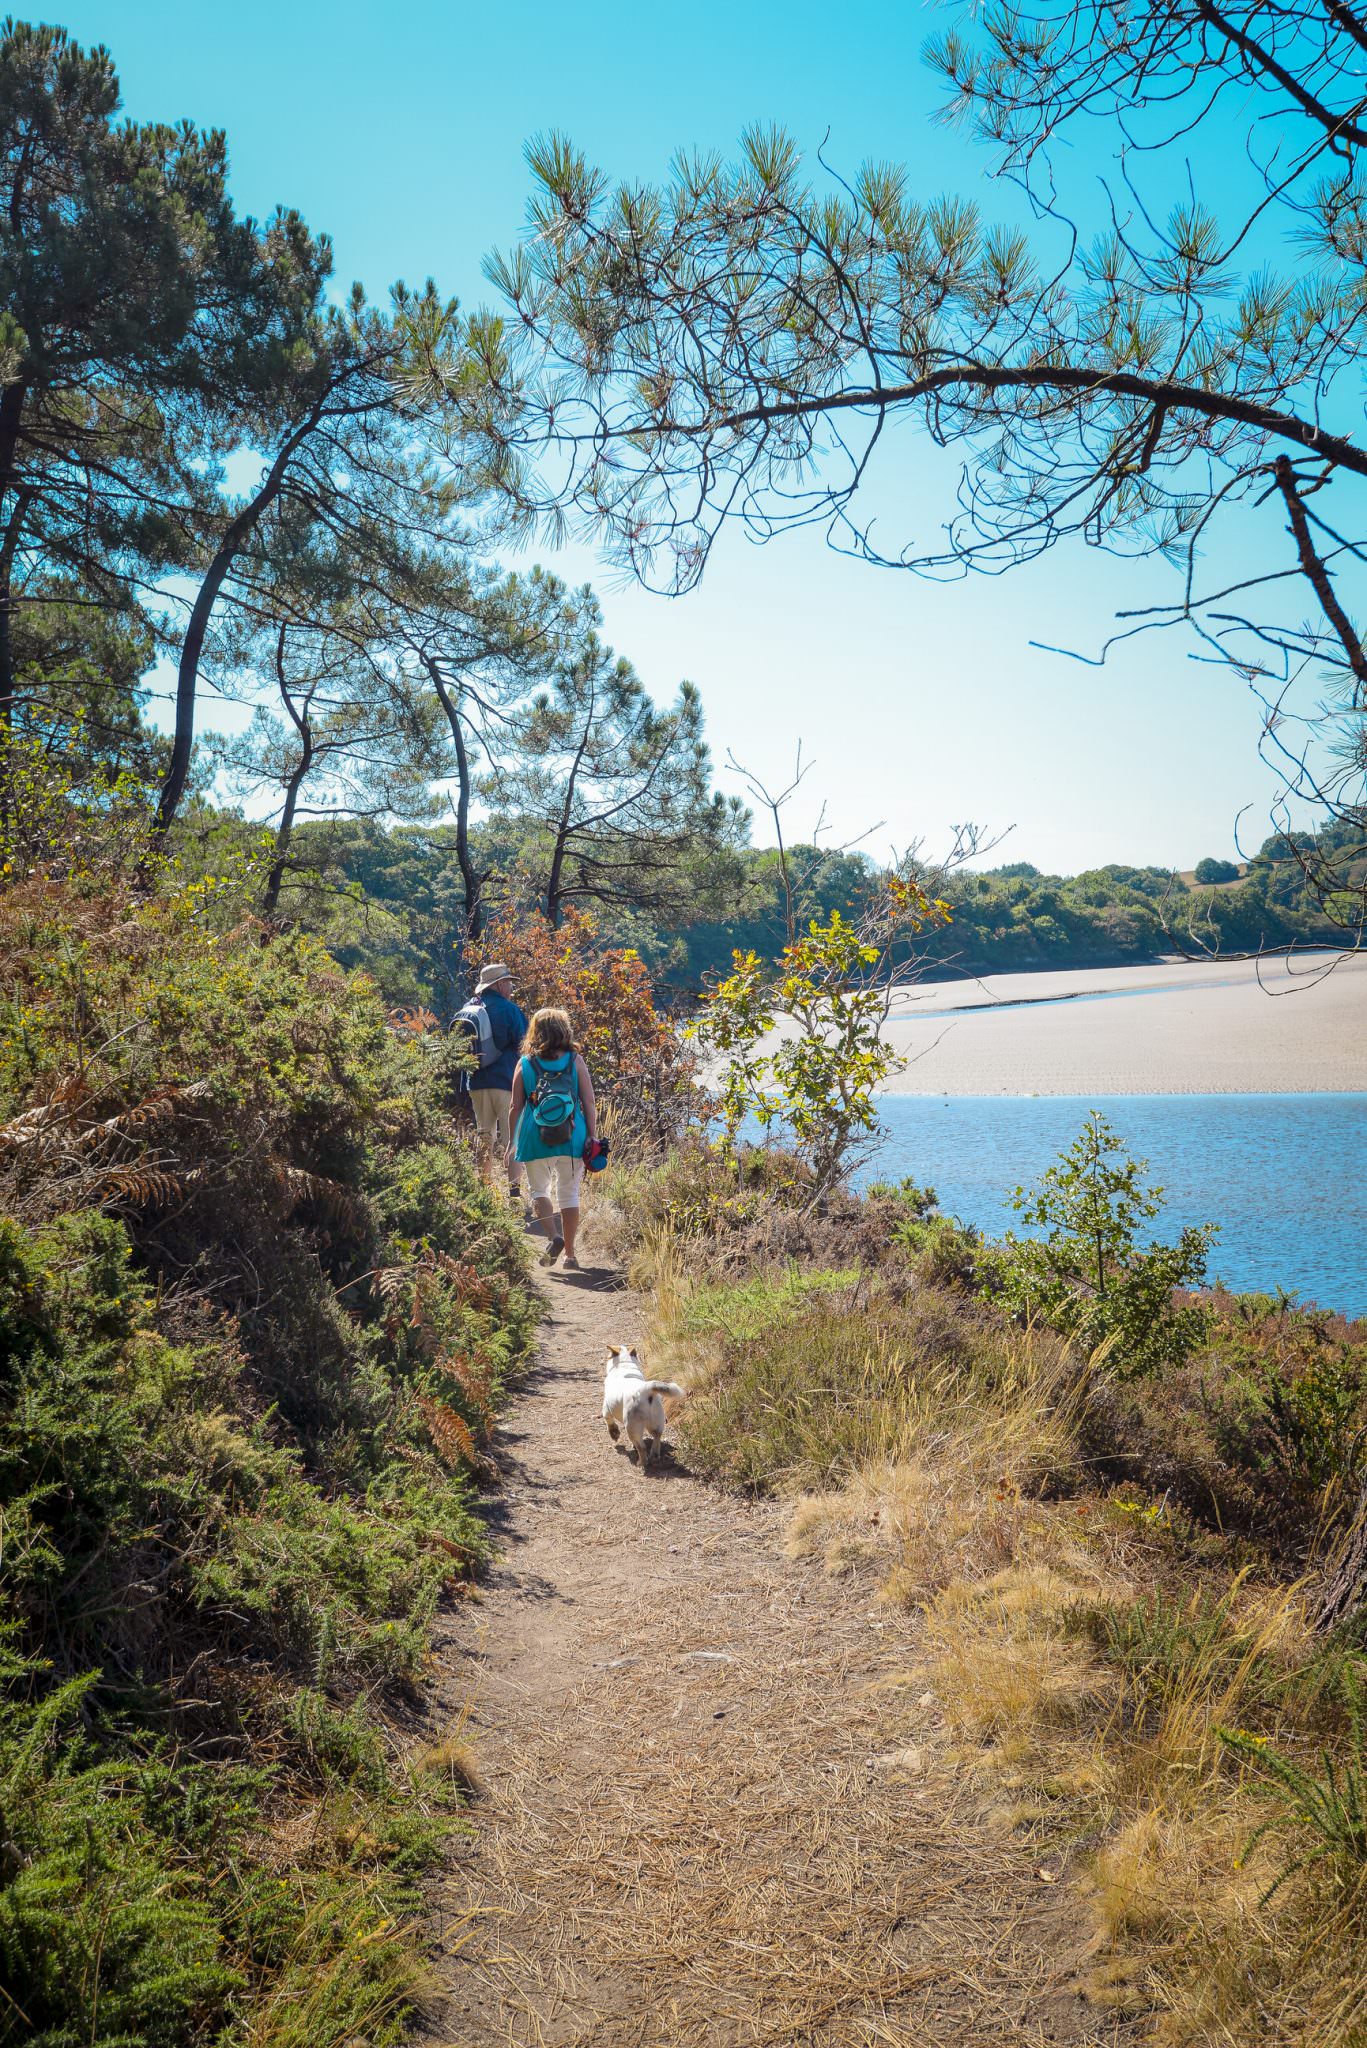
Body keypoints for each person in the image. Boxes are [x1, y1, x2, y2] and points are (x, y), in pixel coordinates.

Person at [508, 1007, 598, 1271]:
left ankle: (553, 1237)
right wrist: (592, 1135)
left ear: (535, 1031)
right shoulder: (575, 1060)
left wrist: (512, 1141)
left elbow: (515, 1106)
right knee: (569, 1194)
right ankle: (570, 1255)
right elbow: (589, 1100)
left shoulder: (525, 1063)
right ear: (564, 1030)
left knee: (539, 1191)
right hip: (573, 1136)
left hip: (535, 1137)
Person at [462, 963, 529, 1204]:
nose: (511, 986)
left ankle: (484, 1192)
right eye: (509, 982)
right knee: (512, 1138)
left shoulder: (469, 1008)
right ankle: (514, 1195)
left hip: (477, 1083)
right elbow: (526, 1046)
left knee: (484, 1136)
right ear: (499, 984)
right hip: (506, 1082)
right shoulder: (510, 1010)